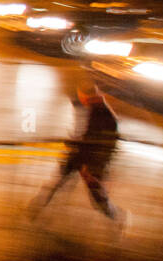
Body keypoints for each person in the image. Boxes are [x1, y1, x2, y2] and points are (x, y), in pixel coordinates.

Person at [30, 81, 129, 229]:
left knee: (96, 198)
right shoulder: (93, 109)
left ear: (88, 97)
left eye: (82, 97)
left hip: (89, 162)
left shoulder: (102, 114)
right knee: (57, 183)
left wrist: (90, 168)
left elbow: (101, 144)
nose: (81, 100)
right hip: (79, 156)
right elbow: (86, 136)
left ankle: (118, 217)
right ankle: (35, 209)